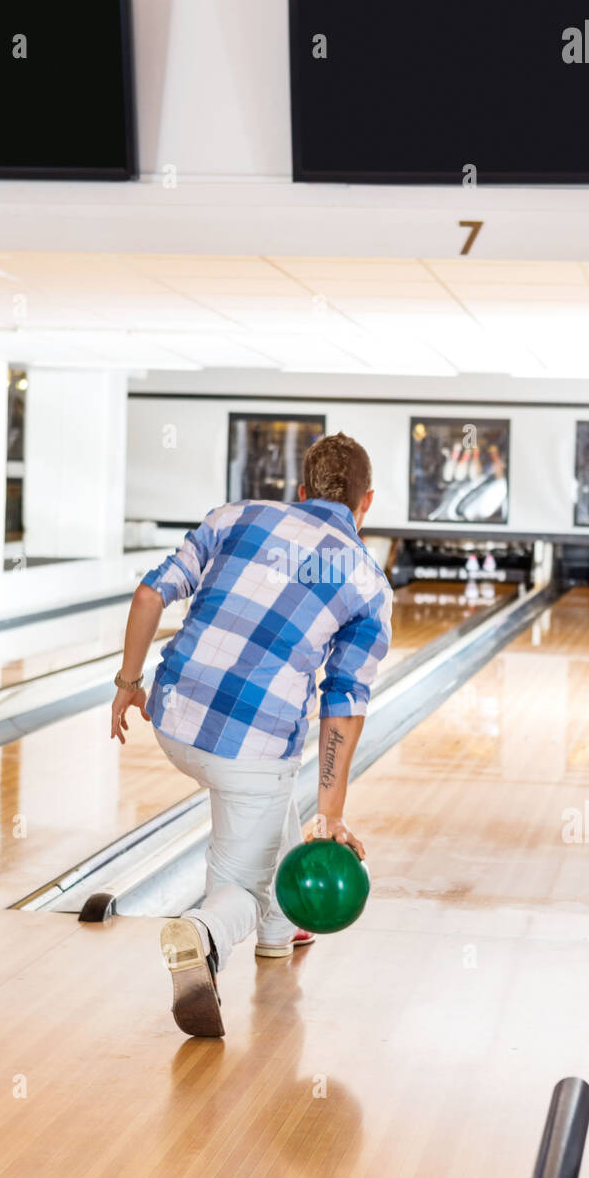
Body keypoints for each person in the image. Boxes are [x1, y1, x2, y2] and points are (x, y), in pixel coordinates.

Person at [110, 432, 392, 1038]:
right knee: (241, 882)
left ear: (299, 490)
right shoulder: (368, 583)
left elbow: (149, 593)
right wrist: (331, 816)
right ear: (366, 502)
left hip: (174, 715)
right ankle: (206, 935)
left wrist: (127, 682)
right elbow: (342, 701)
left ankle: (278, 935)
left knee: (268, 809)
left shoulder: (235, 516)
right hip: (250, 748)